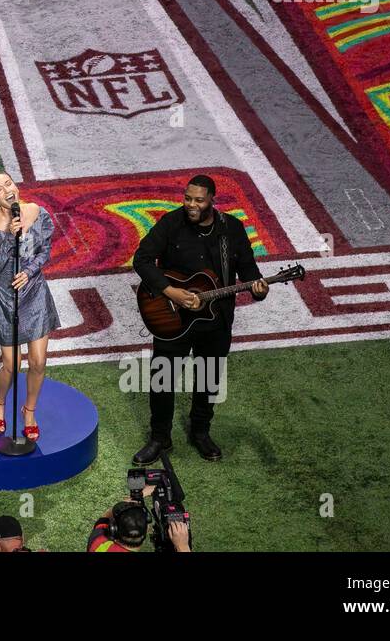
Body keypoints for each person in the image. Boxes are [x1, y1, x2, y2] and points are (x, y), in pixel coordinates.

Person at [130, 175, 268, 464]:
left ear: (211, 201)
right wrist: (171, 292)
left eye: (198, 200)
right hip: (172, 317)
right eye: (188, 198)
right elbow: (142, 258)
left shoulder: (232, 229)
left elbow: (248, 269)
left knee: (208, 378)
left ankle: (200, 432)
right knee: (163, 379)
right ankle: (160, 438)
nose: (191, 205)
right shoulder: (171, 223)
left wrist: (258, 287)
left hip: (215, 321)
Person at [0, 171, 61, 440]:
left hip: (34, 293)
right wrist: (10, 236)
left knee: (39, 361)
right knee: (11, 365)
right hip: (5, 297)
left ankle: (29, 410)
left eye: (8, 184)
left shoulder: (36, 212)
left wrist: (30, 271)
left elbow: (44, 250)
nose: (6, 190)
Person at [88, 490, 191, 552]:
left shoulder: (97, 543)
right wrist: (182, 546)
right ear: (148, 529)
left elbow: (104, 518)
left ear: (113, 528)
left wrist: (128, 503)